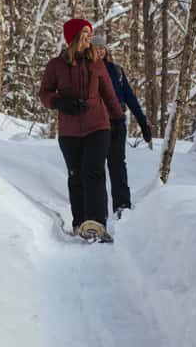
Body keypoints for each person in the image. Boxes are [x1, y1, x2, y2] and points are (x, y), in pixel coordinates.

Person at [39, 18, 124, 242]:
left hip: (97, 126)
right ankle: (80, 223)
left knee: (93, 171)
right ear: (73, 37)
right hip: (69, 132)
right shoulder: (56, 65)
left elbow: (108, 94)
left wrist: (119, 119)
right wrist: (59, 103)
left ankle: (96, 223)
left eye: (90, 33)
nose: (89, 37)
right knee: (75, 175)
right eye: (85, 33)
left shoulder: (96, 63)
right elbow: (45, 93)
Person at [91, 34, 151, 218]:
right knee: (96, 168)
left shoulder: (116, 70)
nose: (100, 52)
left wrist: (142, 121)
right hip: (97, 124)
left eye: (102, 48)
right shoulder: (88, 70)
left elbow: (130, 97)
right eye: (96, 48)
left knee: (118, 164)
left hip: (117, 123)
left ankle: (122, 206)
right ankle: (96, 211)